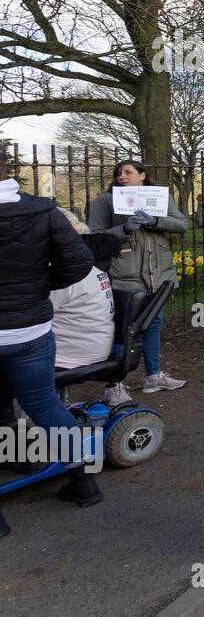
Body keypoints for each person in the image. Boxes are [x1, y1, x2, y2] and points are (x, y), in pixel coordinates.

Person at [0, 149, 99, 525]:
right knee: (44, 405)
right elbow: (80, 261)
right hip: (31, 331)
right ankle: (83, 483)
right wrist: (38, 288)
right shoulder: (43, 212)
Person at [88, 160, 189, 395]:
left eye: (128, 172)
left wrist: (154, 221)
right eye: (119, 173)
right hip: (125, 276)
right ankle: (114, 385)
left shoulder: (160, 198)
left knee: (153, 325)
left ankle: (153, 377)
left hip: (159, 274)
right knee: (122, 329)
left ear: (142, 176)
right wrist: (124, 229)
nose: (122, 176)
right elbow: (94, 237)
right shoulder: (105, 201)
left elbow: (182, 224)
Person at [50, 210, 120, 400]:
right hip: (94, 343)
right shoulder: (91, 262)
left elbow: (36, 313)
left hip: (73, 353)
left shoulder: (66, 271)